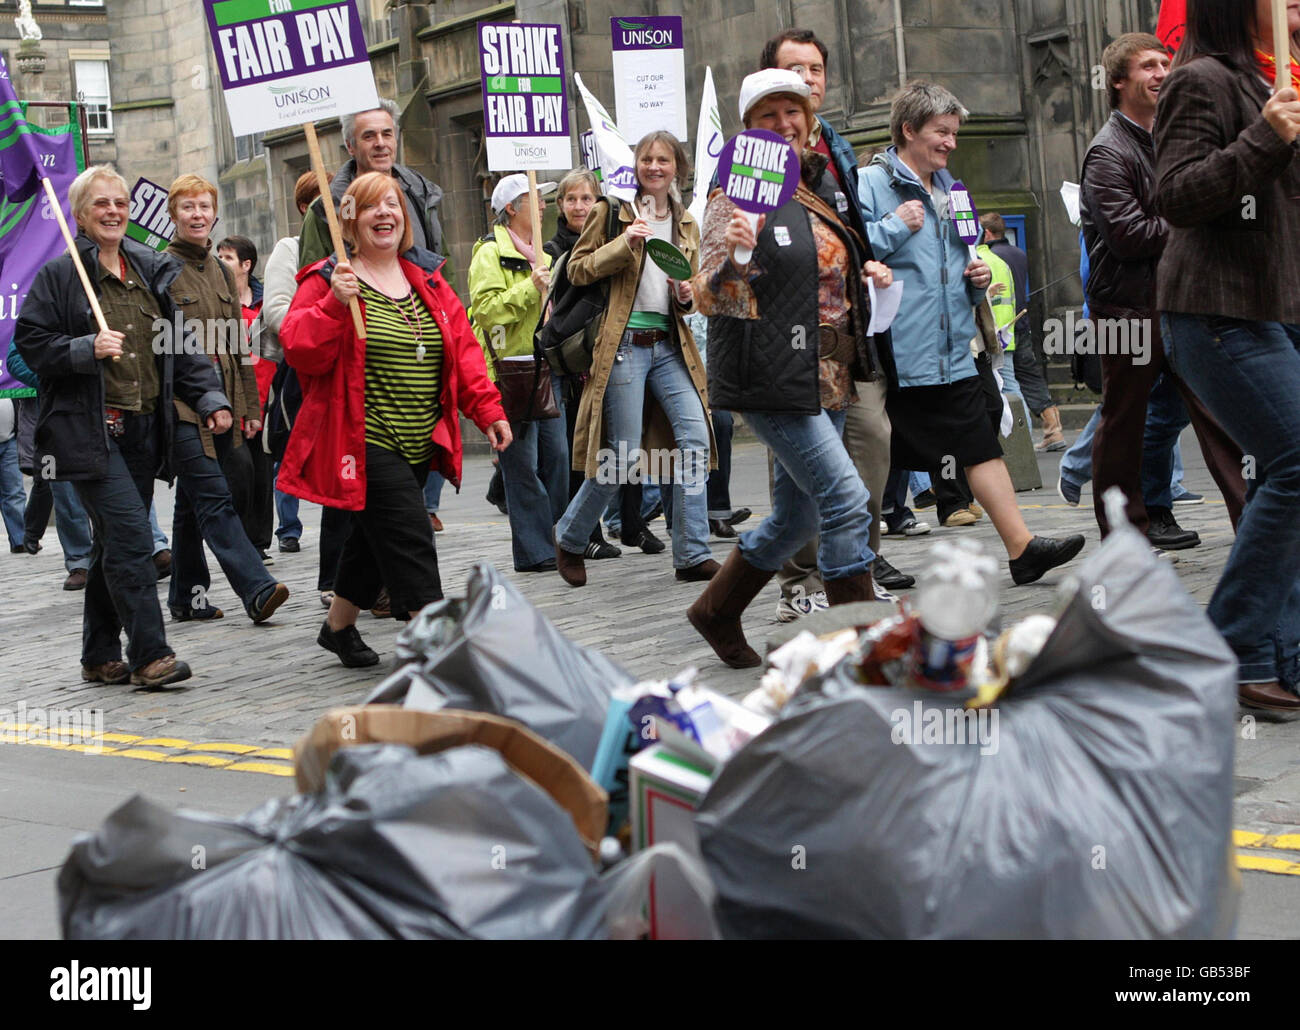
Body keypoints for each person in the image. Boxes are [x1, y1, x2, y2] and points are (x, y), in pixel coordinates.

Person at [687, 70, 891, 667]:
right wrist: (740, 254)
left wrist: (867, 275)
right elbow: (707, 293)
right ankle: (855, 641)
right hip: (770, 376)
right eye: (769, 116)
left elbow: (822, 277)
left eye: (793, 112)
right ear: (749, 128)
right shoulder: (734, 191)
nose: (784, 124)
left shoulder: (813, 185)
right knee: (847, 500)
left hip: (825, 375)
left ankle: (716, 610)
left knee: (799, 513)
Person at [280, 171, 510, 667]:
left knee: (371, 537)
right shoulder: (328, 279)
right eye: (369, 207)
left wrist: (487, 409)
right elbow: (299, 349)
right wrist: (332, 305)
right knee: (410, 535)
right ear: (350, 222)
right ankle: (433, 648)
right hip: (362, 436)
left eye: (392, 204)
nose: (383, 213)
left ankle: (337, 629)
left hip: (419, 437)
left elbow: (463, 349)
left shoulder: (426, 277)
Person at [858, 81, 1085, 584]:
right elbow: (848, 253)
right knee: (874, 454)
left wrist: (976, 274)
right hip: (893, 351)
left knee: (980, 443)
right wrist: (894, 225)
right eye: (942, 132)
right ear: (908, 130)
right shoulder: (869, 184)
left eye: (955, 133)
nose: (951, 143)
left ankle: (1023, 549)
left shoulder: (953, 189)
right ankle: (858, 557)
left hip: (953, 348)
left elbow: (963, 254)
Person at [13, 164, 227, 687]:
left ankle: (97, 654)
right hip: (88, 434)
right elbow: (31, 345)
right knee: (133, 540)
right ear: (80, 216)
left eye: (120, 203)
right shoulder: (61, 276)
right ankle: (151, 655)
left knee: (112, 543)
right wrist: (86, 348)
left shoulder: (150, 269)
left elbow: (180, 345)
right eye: (101, 204)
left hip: (142, 431)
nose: (113, 211)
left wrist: (209, 397)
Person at [1154, 0, 1300, 712]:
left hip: (1278, 310)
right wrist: (1265, 138)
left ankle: (1282, 657)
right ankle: (1231, 651)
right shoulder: (1203, 81)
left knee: (1289, 476)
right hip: (1217, 310)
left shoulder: (1290, 79)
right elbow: (1175, 196)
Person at [763, 27, 914, 611]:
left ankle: (856, 564)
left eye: (816, 71)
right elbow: (722, 276)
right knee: (806, 481)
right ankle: (801, 584)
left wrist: (868, 263)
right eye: (794, 70)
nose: (807, 81)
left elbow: (847, 233)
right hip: (787, 347)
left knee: (872, 444)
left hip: (851, 335)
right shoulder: (751, 162)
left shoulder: (838, 149)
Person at [1082, 31, 1246, 552]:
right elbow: (1128, 236)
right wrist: (1194, 216)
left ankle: (1255, 521)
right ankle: (1123, 533)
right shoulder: (1107, 151)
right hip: (1125, 309)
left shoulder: (1175, 137)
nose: (1162, 73)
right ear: (1118, 82)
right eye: (1148, 66)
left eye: (1165, 62)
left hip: (1184, 299)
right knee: (1123, 422)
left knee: (1219, 416)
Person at [553, 131, 716, 588]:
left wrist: (687, 295)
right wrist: (624, 244)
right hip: (623, 344)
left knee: (694, 441)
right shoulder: (612, 211)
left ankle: (692, 552)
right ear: (636, 166)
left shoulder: (686, 224)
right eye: (647, 159)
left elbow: (691, 292)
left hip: (669, 346)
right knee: (623, 458)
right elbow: (576, 269)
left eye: (664, 160)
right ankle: (569, 535)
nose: (655, 167)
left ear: (677, 168)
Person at [163, 174, 288, 625]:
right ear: (173, 214)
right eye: (187, 207)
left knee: (195, 502)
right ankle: (257, 588)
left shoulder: (220, 268)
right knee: (215, 494)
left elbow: (239, 345)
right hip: (183, 405)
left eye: (203, 206)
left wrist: (249, 409)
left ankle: (186, 596)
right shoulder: (161, 268)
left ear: (214, 214)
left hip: (227, 400)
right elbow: (168, 348)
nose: (197, 215)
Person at [469, 173, 568, 573]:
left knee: (558, 457)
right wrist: (531, 286)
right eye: (534, 199)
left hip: (545, 366)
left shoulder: (542, 252)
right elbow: (488, 309)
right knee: (522, 463)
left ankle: (555, 535)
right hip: (510, 371)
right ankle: (535, 551)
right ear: (511, 208)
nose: (544, 205)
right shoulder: (489, 253)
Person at [544, 167, 620, 560]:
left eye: (586, 199)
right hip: (574, 359)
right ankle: (581, 531)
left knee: (606, 444)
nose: (579, 206)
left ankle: (604, 526)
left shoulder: (606, 240)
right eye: (571, 199)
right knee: (580, 446)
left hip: (606, 355)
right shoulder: (555, 249)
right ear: (560, 205)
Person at [298, 98, 445, 270]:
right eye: (369, 136)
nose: (380, 143)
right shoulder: (328, 208)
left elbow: (443, 266)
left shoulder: (421, 193)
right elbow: (311, 284)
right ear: (350, 146)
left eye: (387, 134)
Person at [259, 171, 320, 561]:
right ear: (304, 207)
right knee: (289, 449)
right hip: (300, 368)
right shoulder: (290, 248)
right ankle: (288, 526)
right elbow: (276, 311)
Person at [5, 349, 93, 587]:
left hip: (109, 410)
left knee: (128, 489)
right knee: (61, 491)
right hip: (56, 417)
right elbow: (16, 358)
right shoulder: (40, 312)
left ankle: (149, 547)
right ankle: (79, 560)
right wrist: (52, 379)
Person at [978, 212, 1062, 450]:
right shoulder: (1018, 253)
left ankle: (1020, 440)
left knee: (1009, 384)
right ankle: (1053, 430)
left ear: (986, 233)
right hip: (1020, 324)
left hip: (1001, 328)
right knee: (1030, 377)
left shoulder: (989, 256)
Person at [217, 234, 275, 563]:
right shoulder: (218, 302)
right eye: (219, 257)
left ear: (246, 264)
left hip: (265, 398)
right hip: (232, 400)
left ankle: (258, 542)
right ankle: (235, 536)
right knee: (239, 471)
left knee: (262, 474)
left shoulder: (266, 303)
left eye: (227, 257)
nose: (220, 262)